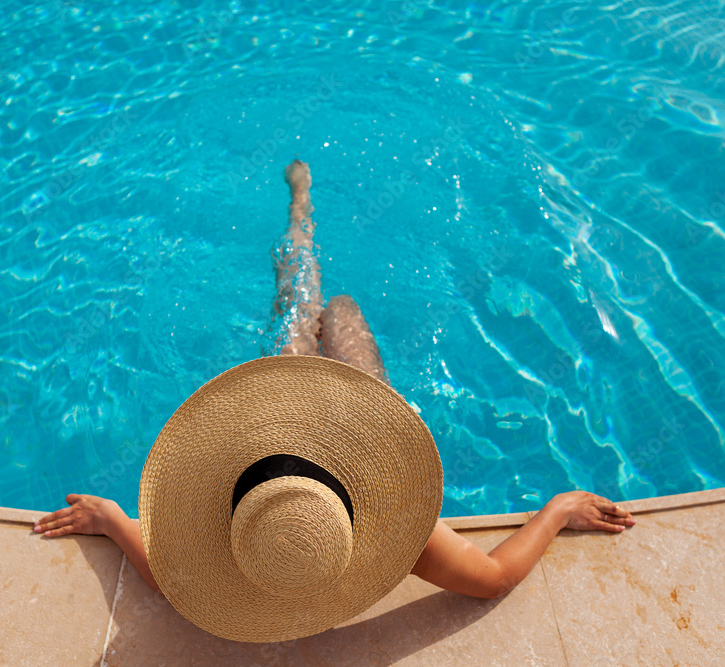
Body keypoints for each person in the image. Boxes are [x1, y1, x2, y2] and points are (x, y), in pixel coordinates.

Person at [33, 159, 635, 642]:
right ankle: (302, 209)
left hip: (306, 444)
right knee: (335, 309)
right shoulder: (398, 536)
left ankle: (300, 210)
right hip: (338, 427)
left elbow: (167, 581)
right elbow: (497, 577)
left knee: (299, 308)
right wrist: (556, 510)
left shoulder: (246, 550)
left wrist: (112, 520)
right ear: (355, 505)